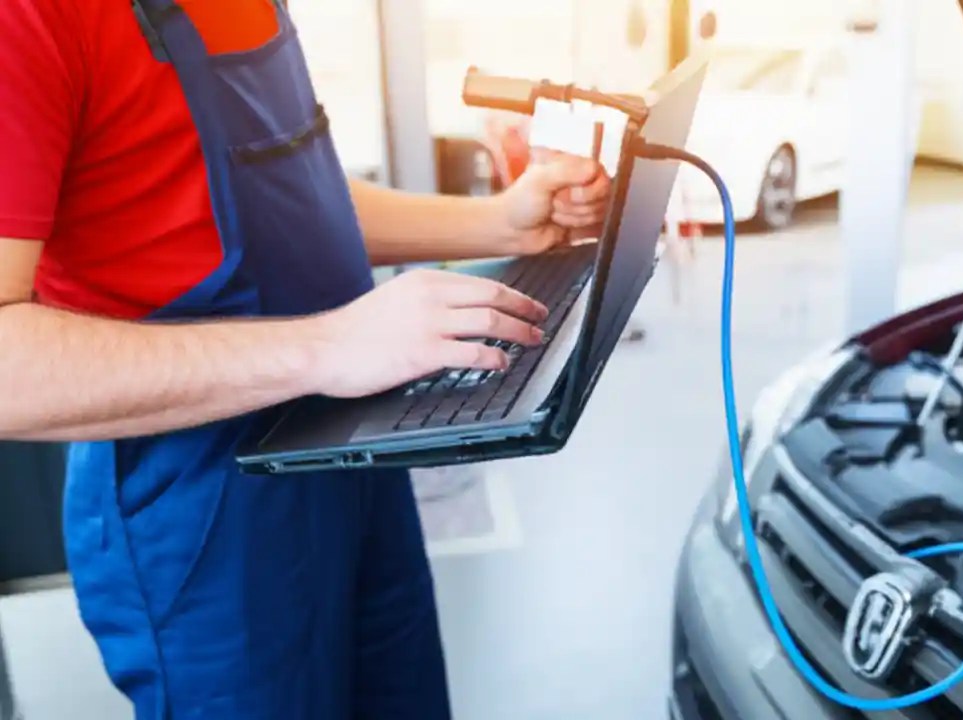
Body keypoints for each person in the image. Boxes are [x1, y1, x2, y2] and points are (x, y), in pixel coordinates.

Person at [0, 1, 610, 718]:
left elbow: (291, 198)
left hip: (350, 461)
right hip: (202, 516)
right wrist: (330, 346)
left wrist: (498, 220)